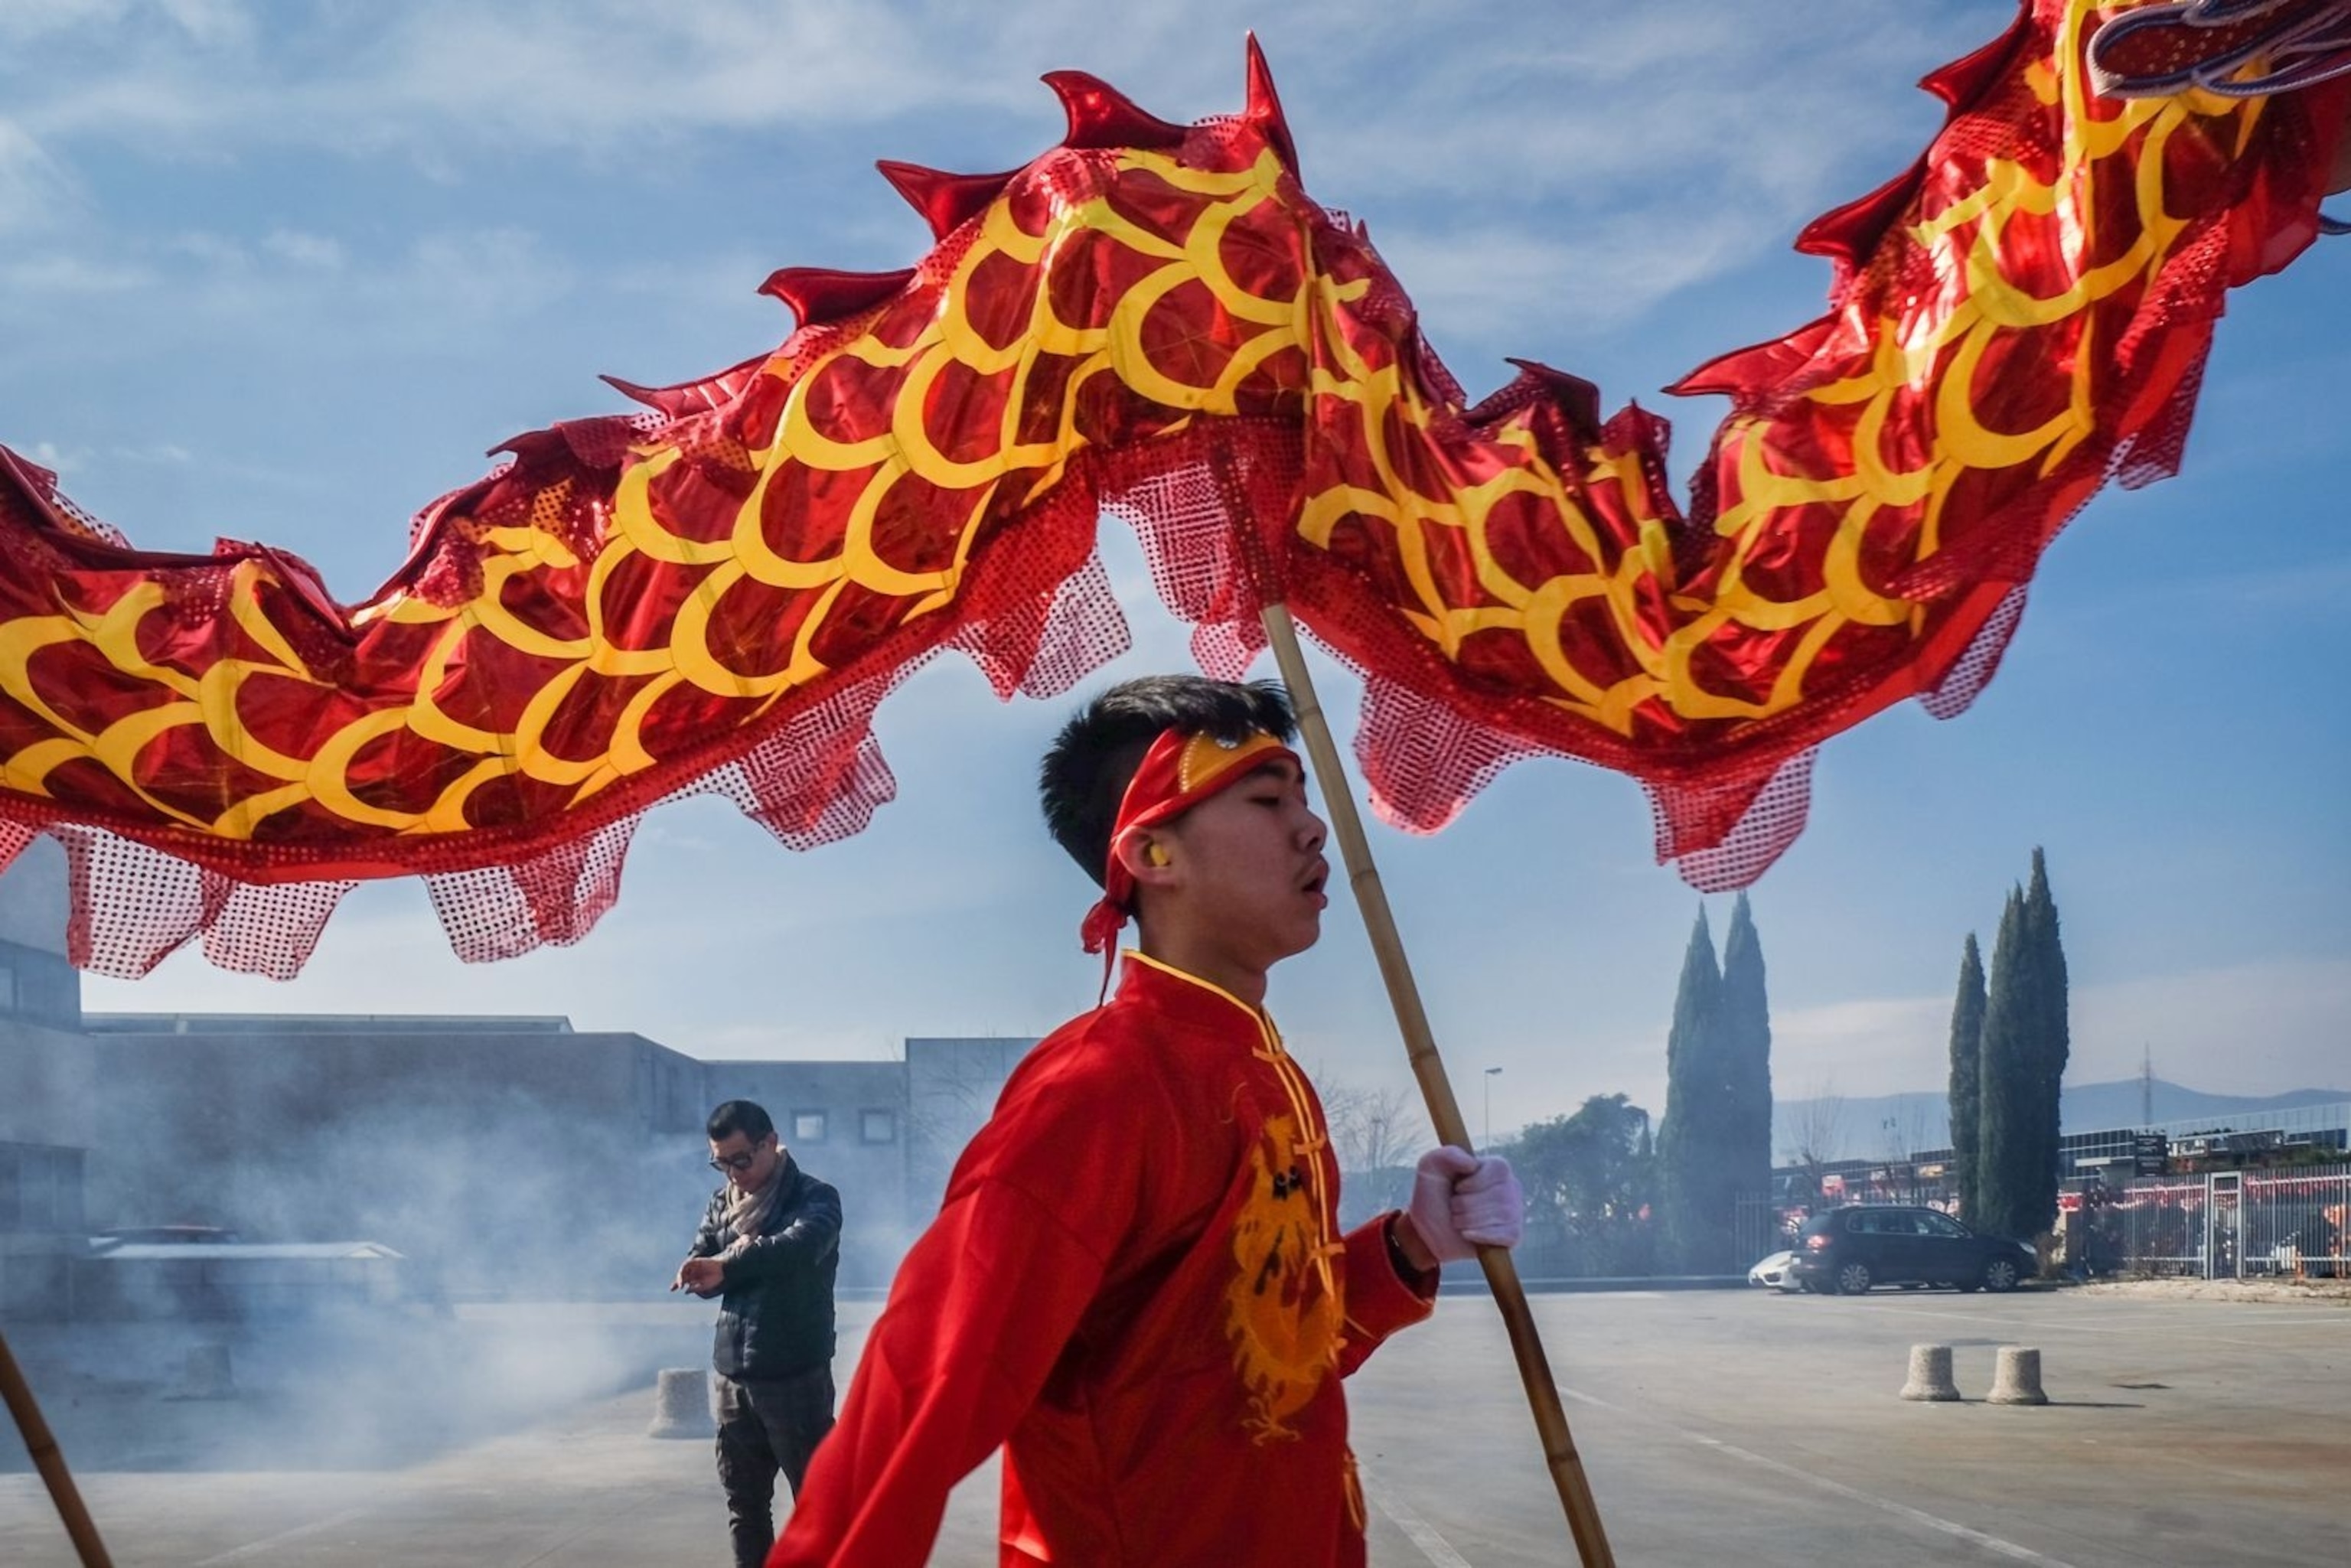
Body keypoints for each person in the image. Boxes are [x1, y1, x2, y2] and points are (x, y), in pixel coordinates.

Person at [766, 675, 1522, 1567]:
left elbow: (1260, 1363)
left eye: (1304, 797)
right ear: (1154, 853)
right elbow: (929, 1384)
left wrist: (1411, 1247)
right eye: (1268, 799)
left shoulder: (1270, 1076)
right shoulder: (1100, 1086)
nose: (1313, 827)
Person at [674, 1099, 843, 1568]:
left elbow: (798, 1248)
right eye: (721, 1163)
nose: (734, 1174)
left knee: (819, 1505)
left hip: (794, 1376)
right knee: (744, 1506)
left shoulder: (815, 1198)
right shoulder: (722, 1204)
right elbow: (705, 1255)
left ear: (770, 1143)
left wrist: (729, 1263)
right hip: (733, 1376)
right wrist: (696, 1271)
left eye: (742, 1160)